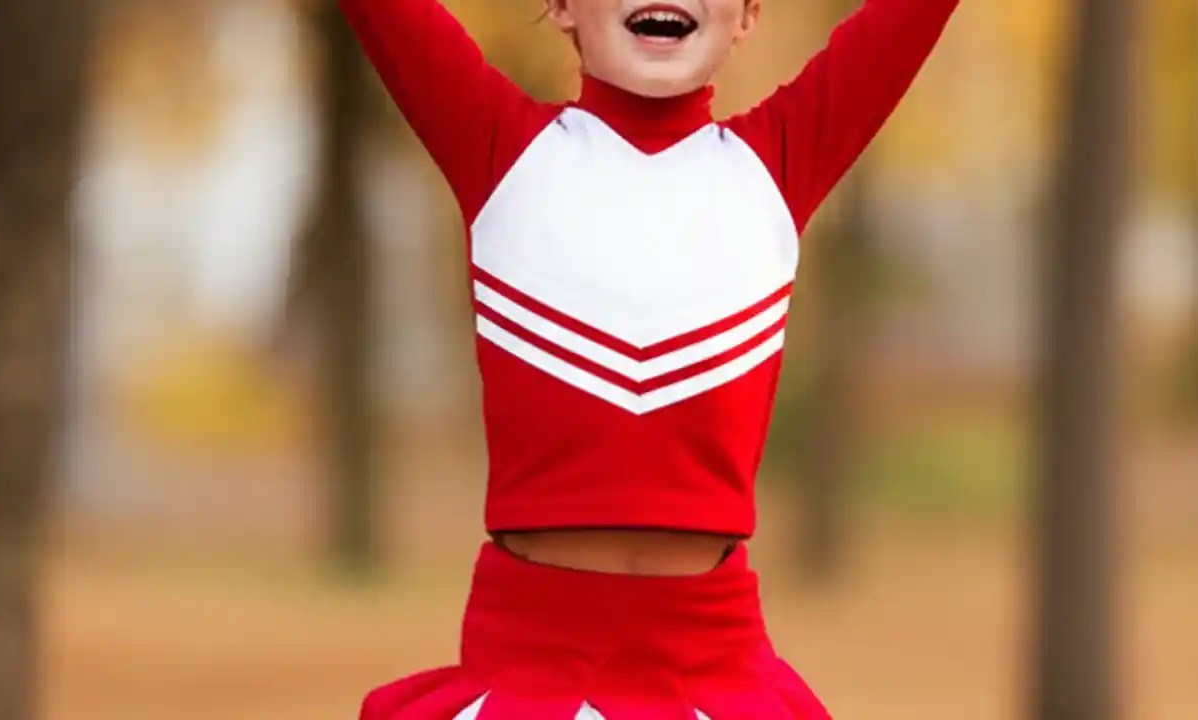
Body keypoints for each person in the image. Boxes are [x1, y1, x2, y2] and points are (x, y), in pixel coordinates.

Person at [339, 0, 959, 717]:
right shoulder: (500, 151)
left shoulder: (776, 167)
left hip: (718, 678)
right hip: (526, 675)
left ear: (749, 13)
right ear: (562, 6)